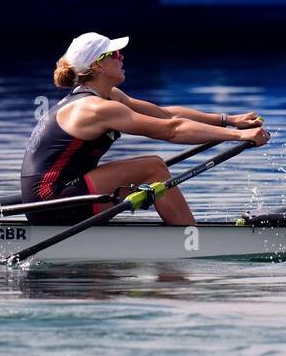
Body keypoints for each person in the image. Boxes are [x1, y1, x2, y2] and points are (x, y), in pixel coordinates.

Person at [21, 32, 270, 225]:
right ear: (97, 66)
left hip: (60, 193)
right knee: (153, 167)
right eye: (115, 55)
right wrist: (238, 136)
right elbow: (171, 130)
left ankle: (183, 234)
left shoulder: (110, 97)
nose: (122, 58)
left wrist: (228, 120)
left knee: (152, 172)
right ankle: (191, 239)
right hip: (49, 199)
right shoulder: (94, 108)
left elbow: (166, 114)